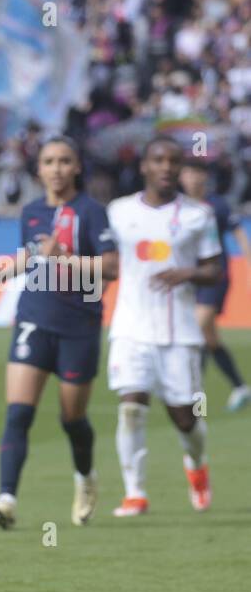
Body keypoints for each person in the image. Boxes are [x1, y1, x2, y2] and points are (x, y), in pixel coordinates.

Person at [0, 136, 118, 528]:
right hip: (34, 319)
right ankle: (6, 499)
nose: (56, 168)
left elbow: (111, 268)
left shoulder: (92, 212)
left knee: (72, 419)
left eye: (64, 161)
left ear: (76, 167)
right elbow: (33, 256)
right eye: (48, 161)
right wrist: (4, 271)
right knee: (19, 413)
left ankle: (86, 478)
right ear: (39, 169)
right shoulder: (32, 211)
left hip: (79, 326)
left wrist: (66, 258)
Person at [106, 137, 224, 516]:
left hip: (179, 332)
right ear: (144, 166)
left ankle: (197, 465)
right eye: (158, 160)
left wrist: (187, 272)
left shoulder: (198, 215)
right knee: (131, 408)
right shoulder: (119, 212)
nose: (167, 168)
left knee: (185, 418)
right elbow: (105, 260)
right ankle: (135, 492)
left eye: (174, 161)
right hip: (129, 328)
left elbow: (215, 269)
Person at [178, 157, 251, 411]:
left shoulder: (216, 205)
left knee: (197, 329)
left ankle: (193, 393)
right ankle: (240, 387)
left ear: (204, 177)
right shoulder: (178, 207)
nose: (192, 178)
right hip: (191, 278)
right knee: (210, 338)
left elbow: (239, 232)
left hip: (215, 277)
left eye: (197, 173)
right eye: (187, 172)